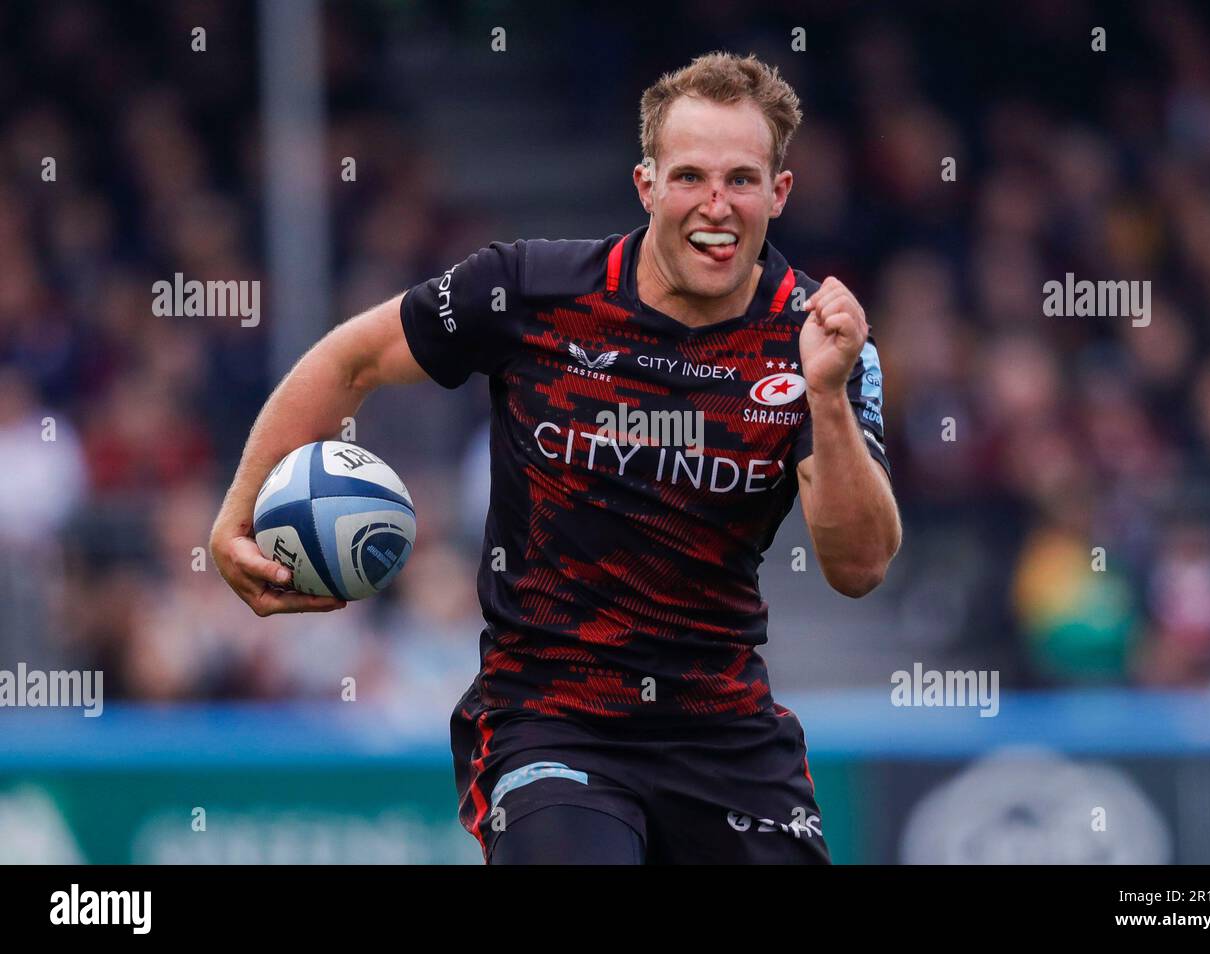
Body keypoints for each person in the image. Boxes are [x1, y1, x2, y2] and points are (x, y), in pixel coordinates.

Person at [211, 51, 901, 864]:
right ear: (646, 185)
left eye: (742, 179)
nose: (715, 205)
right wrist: (235, 516)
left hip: (725, 734)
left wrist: (824, 394)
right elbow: (349, 361)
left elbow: (859, 567)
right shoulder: (529, 291)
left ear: (778, 193)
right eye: (689, 177)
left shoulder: (820, 342)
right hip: (550, 718)